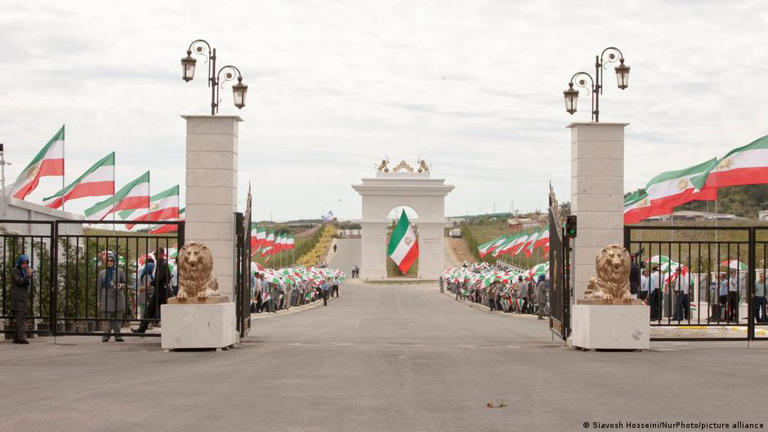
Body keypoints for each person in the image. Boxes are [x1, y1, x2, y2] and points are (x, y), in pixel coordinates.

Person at [134, 248, 170, 333]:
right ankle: (142, 329)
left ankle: (142, 328)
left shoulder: (164, 264)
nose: (155, 256)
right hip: (159, 291)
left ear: (161, 254)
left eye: (156, 254)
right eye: (154, 254)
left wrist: (146, 287)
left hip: (163, 291)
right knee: (149, 310)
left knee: (166, 312)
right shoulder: (159, 264)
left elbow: (158, 279)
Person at [98, 252, 126, 342]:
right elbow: (99, 287)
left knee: (118, 316)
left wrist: (121, 285)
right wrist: (99, 300)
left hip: (118, 296)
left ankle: (118, 335)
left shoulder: (120, 271)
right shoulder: (102, 273)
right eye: (108, 260)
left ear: (114, 262)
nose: (110, 262)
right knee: (106, 317)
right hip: (106, 296)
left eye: (111, 260)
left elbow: (125, 283)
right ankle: (106, 336)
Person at [10, 254, 32, 344]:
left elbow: (26, 283)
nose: (25, 265)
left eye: (26, 263)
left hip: (23, 297)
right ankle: (21, 338)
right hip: (17, 297)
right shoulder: (14, 270)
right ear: (20, 262)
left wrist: (28, 275)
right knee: (20, 318)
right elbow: (19, 282)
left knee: (21, 317)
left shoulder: (24, 271)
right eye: (23, 263)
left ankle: (16, 338)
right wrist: (27, 275)